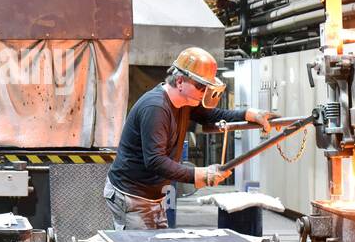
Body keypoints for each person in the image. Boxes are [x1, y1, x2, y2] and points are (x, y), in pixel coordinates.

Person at [104, 47, 276, 230]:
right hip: (131, 196)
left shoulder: (185, 103)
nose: (204, 92)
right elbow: (155, 161)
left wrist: (249, 114)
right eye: (201, 86)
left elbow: (213, 115)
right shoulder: (155, 108)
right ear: (180, 81)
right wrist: (200, 175)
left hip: (153, 197)